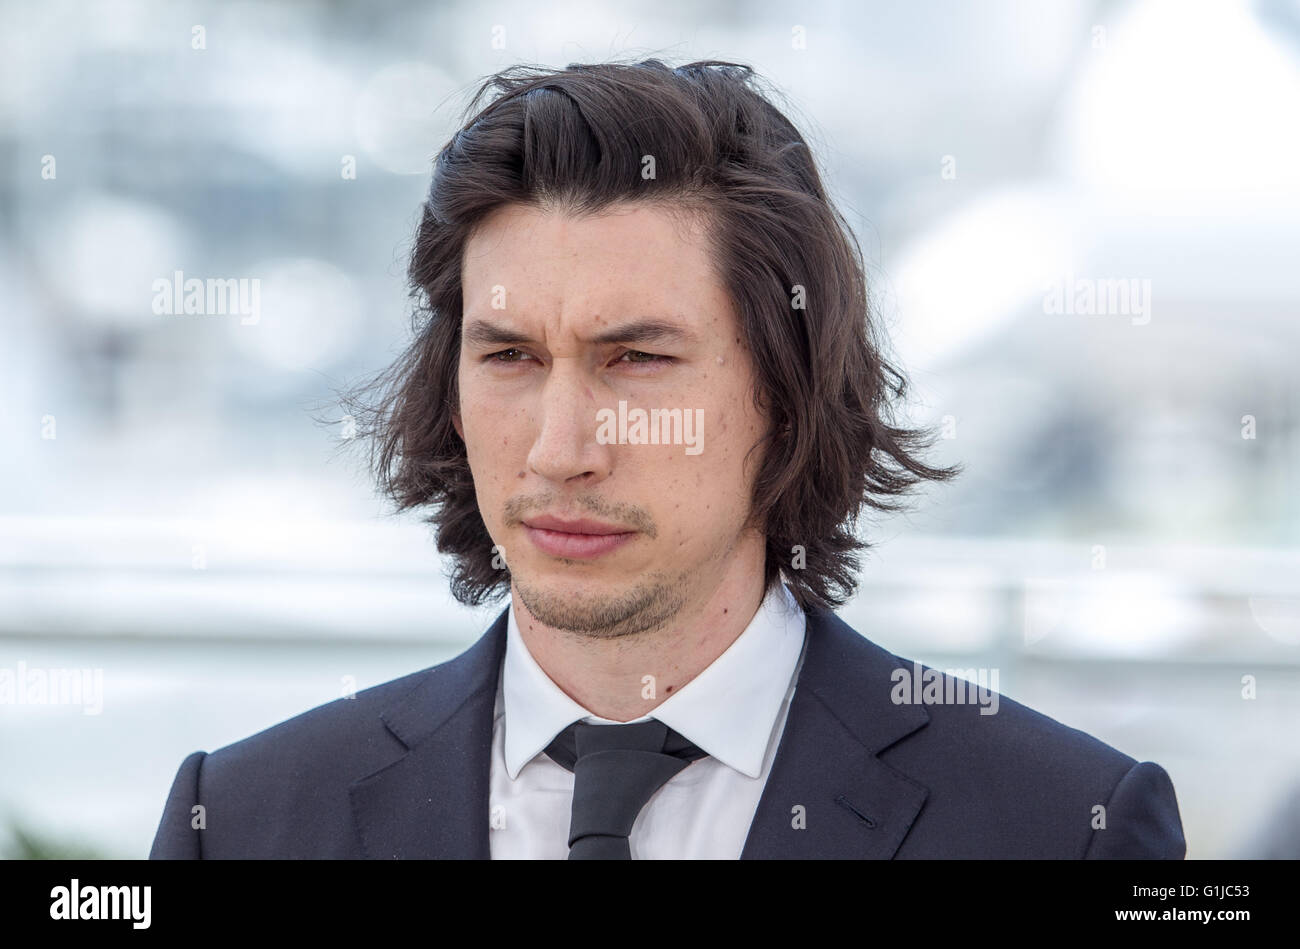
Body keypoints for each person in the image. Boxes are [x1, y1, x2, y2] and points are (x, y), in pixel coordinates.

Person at [149, 58, 1185, 859]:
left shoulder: (1064, 829)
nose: (561, 450)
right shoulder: (240, 822)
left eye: (636, 359)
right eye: (508, 356)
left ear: (784, 391)